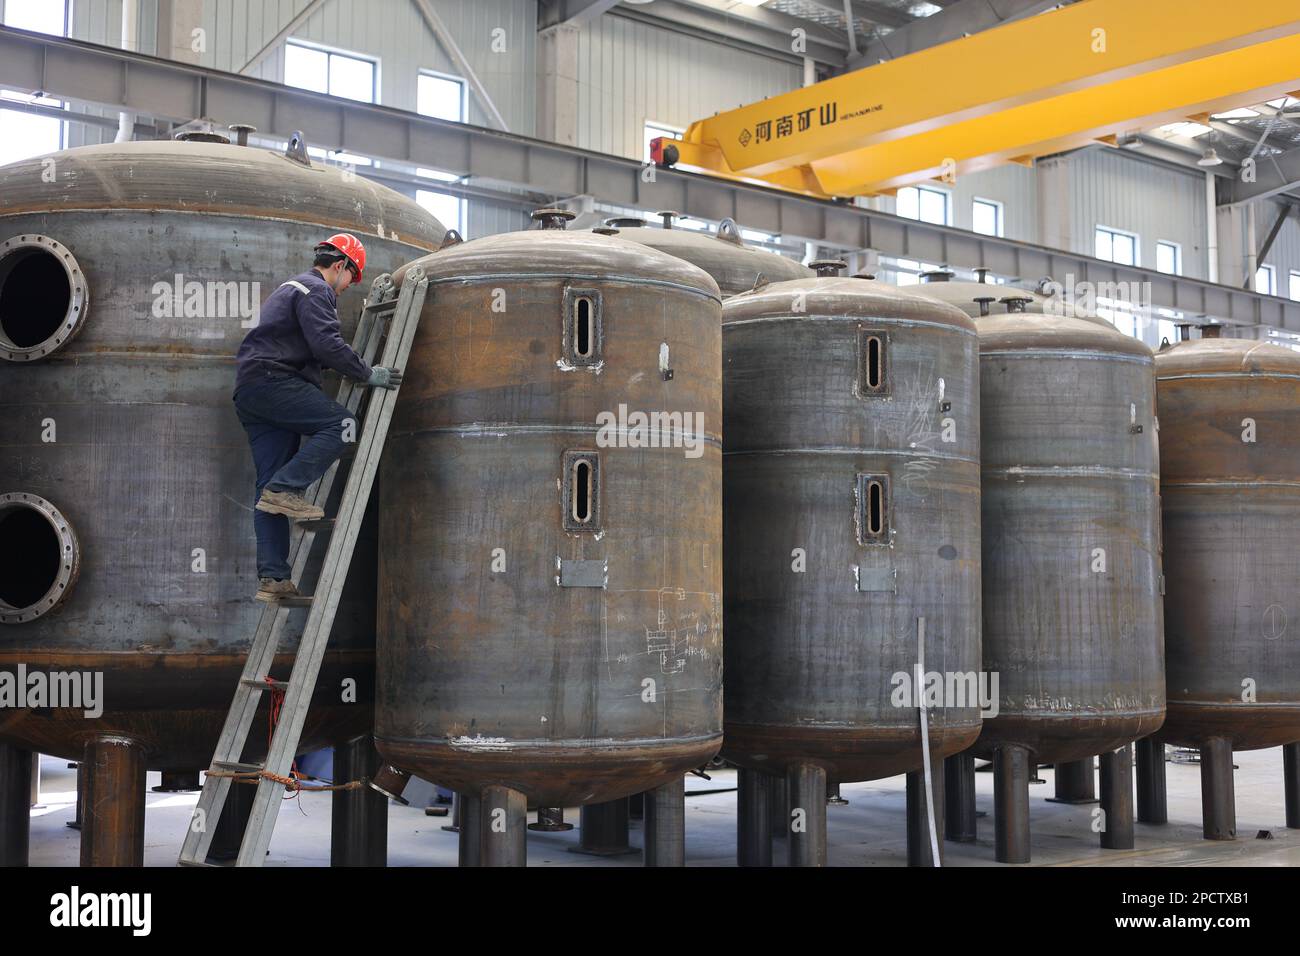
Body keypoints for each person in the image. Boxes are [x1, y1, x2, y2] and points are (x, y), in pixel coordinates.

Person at [232, 233, 402, 602]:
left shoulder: (291, 289)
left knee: (266, 492)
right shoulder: (315, 290)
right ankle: (288, 488)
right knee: (342, 425)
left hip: (251, 391)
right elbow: (326, 343)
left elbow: (314, 346)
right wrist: (365, 372)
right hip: (275, 382)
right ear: (340, 266)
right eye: (350, 281)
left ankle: (274, 578)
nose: (345, 289)